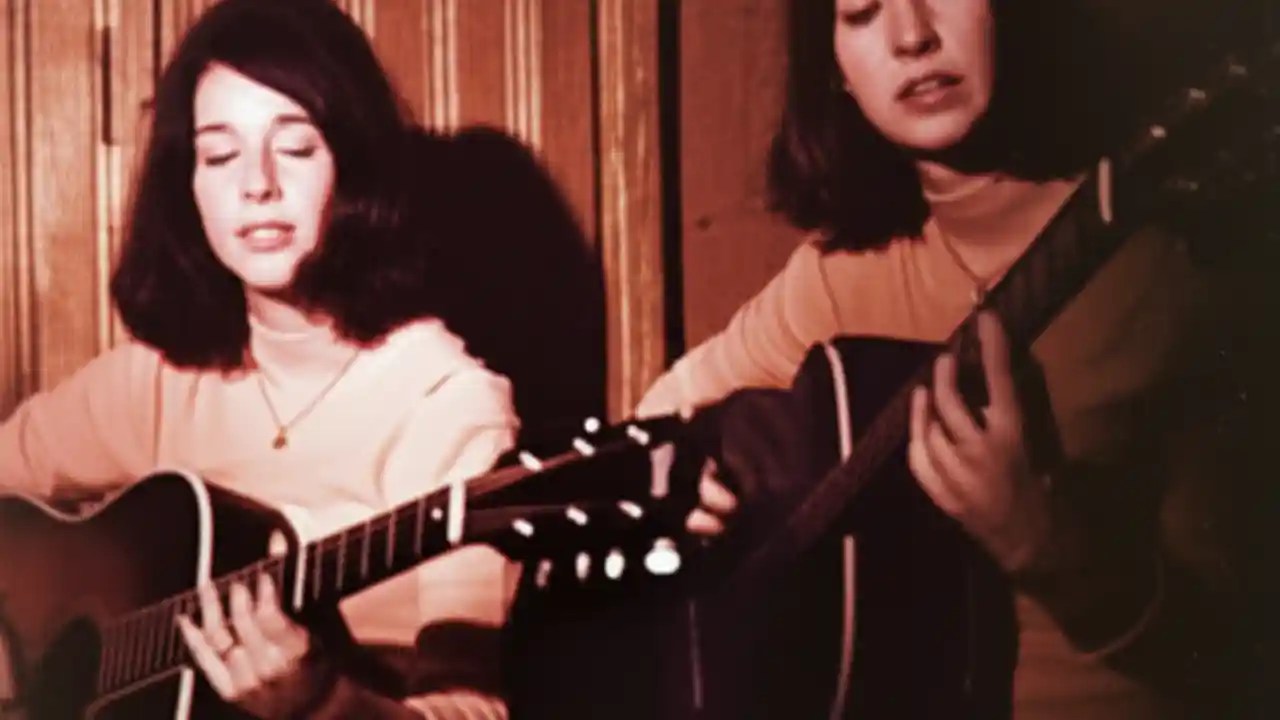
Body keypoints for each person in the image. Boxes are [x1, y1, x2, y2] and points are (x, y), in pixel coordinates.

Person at [639, 0, 1252, 718]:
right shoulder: (839, 279)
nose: (912, 37)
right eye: (860, 11)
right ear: (833, 69)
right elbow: (659, 423)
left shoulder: (1181, 277)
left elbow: (1245, 655)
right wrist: (682, 473)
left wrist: (1052, 550)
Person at [0, 0, 518, 717]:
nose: (257, 184)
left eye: (296, 147)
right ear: (191, 186)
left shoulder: (442, 402)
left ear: (355, 164)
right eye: (219, 154)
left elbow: (469, 713)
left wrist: (324, 702)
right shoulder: (153, 382)